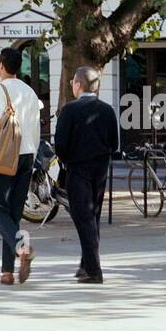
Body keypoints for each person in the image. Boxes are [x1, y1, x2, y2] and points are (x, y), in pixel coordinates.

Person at [0, 47, 43, 285]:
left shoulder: (0, 89)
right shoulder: (29, 91)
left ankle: (21, 248)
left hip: (6, 156)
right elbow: (36, 129)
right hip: (27, 154)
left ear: (1, 66)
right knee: (13, 213)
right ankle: (7, 271)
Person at [54, 66, 118, 284]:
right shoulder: (108, 110)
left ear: (78, 85)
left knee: (84, 219)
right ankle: (86, 264)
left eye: (73, 81)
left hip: (77, 168)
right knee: (93, 218)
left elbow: (60, 145)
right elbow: (115, 143)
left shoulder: (69, 110)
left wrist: (67, 159)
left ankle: (94, 270)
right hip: (100, 169)